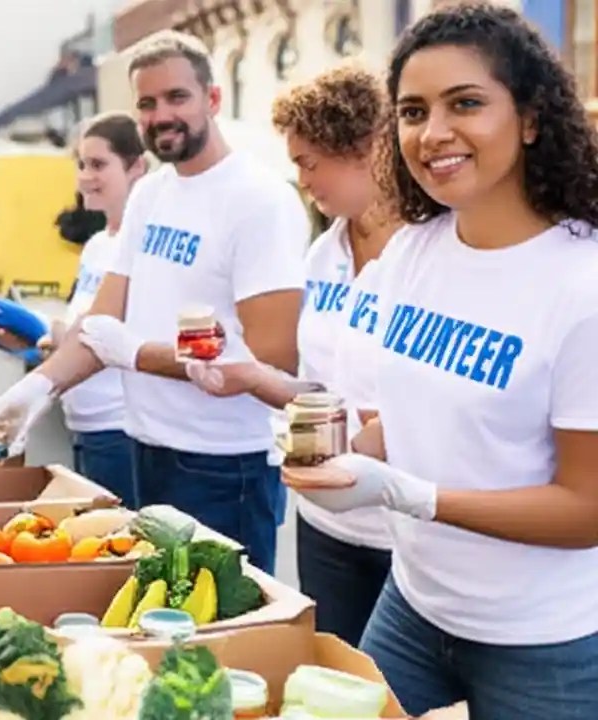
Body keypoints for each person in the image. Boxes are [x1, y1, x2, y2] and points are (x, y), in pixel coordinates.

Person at [283, 5, 598, 717]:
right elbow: (409, 415)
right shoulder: (411, 255)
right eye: (413, 111)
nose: (434, 133)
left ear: (531, 118)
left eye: (467, 104)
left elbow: (588, 508)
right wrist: (340, 462)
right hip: (416, 604)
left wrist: (409, 495)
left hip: (543, 642)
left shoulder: (583, 286)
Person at [0, 32, 310, 574]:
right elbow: (101, 324)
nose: (162, 115)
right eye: (148, 104)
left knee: (224, 639)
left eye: (178, 97)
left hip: (227, 469)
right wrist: (35, 390)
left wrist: (136, 354)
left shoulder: (258, 200)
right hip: (144, 447)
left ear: (213, 99)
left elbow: (273, 361)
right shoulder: (151, 195)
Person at [267, 65, 399, 645]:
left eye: (309, 162)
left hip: (406, 528)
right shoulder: (323, 254)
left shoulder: (432, 252)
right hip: (325, 520)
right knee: (334, 677)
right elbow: (315, 381)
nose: (302, 181)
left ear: (363, 148)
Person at [0, 113, 146, 504]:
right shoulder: (96, 246)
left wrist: (56, 335)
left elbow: (115, 335)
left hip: (117, 428)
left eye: (99, 164)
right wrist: (27, 340)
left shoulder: (139, 247)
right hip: (82, 425)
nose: (86, 176)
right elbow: (80, 328)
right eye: (82, 164)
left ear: (136, 168)